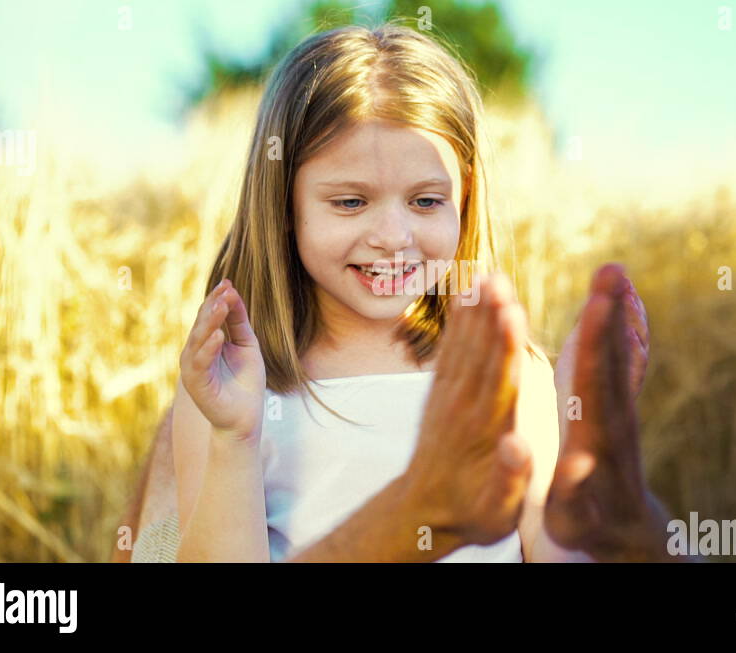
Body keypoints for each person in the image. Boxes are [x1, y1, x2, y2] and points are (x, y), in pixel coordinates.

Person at [115, 21, 670, 563]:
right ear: (284, 206)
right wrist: (233, 439)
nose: (392, 238)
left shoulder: (510, 374)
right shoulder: (233, 388)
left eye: (426, 201)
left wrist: (586, 438)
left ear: (466, 200)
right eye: (351, 202)